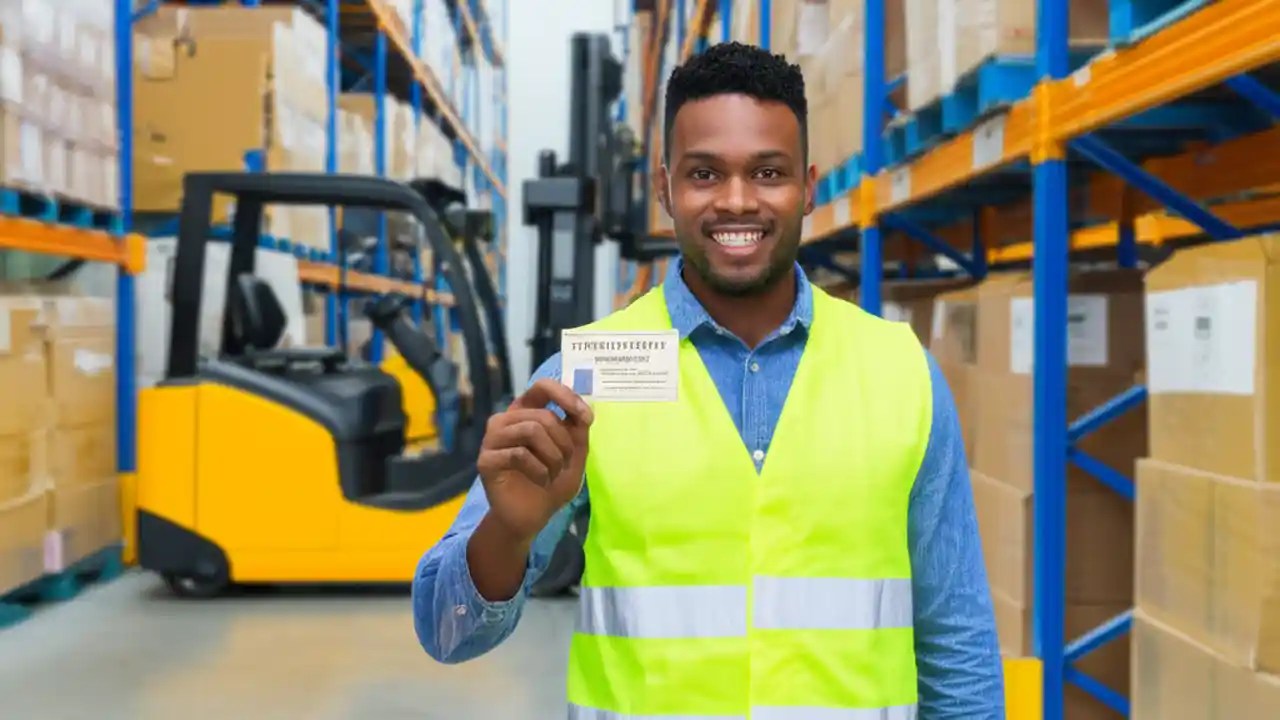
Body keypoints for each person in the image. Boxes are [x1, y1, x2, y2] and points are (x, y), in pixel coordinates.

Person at [412, 42, 1005, 718]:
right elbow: (445, 633)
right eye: (704, 174)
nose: (736, 201)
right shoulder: (586, 378)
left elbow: (955, 643)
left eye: (768, 172)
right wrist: (508, 539)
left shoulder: (902, 373)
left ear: (808, 186)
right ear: (664, 188)